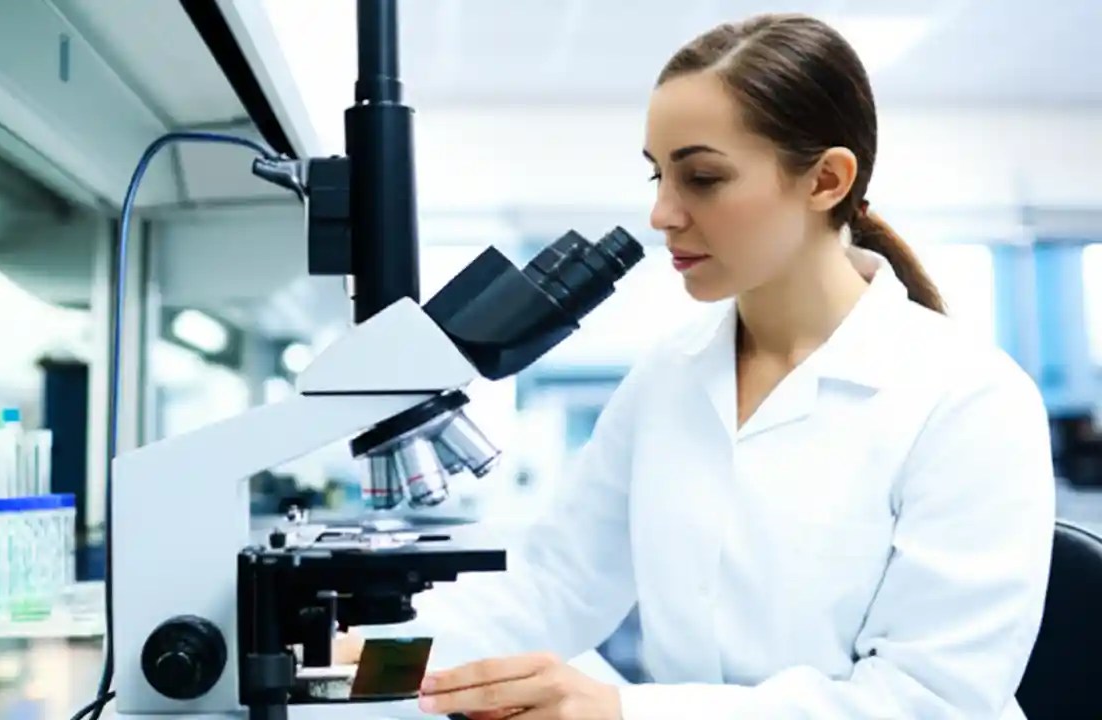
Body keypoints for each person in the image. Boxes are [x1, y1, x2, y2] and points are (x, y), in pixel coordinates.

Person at [344, 13, 1055, 719]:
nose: (661, 213)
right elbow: (552, 587)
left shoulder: (970, 399)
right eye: (658, 175)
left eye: (703, 177)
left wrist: (623, 712)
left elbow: (926, 702)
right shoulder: (670, 375)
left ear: (826, 180)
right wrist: (359, 662)